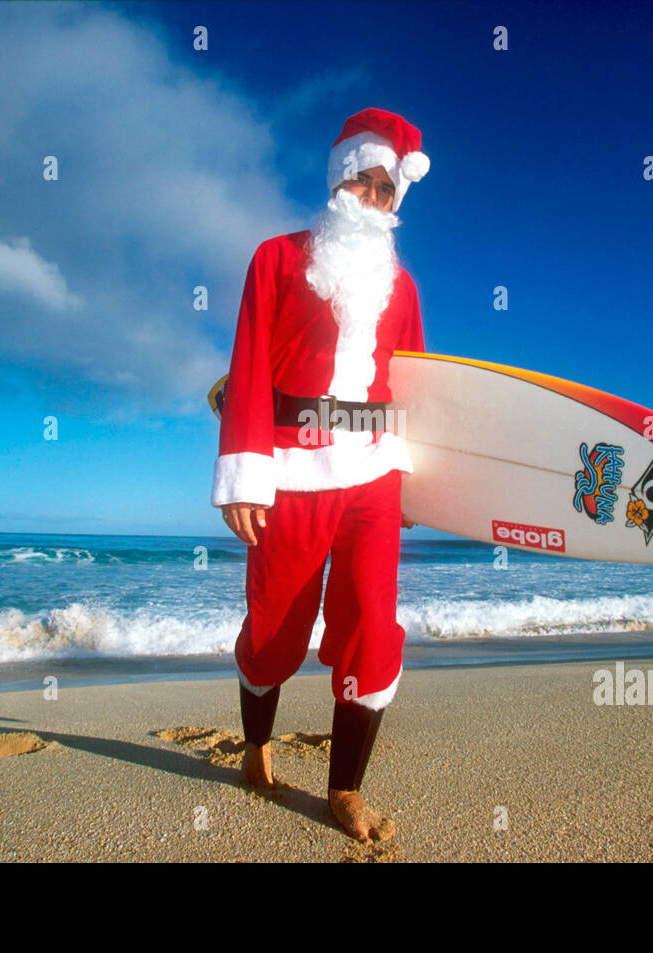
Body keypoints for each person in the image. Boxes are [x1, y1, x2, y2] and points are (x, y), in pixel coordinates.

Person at [210, 107, 430, 842]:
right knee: (276, 626)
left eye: (387, 191)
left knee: (372, 621)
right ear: (339, 180)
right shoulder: (274, 259)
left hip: (375, 473)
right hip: (291, 470)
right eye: (363, 184)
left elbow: (417, 387)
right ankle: (255, 744)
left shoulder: (404, 289)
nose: (374, 200)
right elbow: (245, 366)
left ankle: (345, 788)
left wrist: (416, 483)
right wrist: (244, 475)